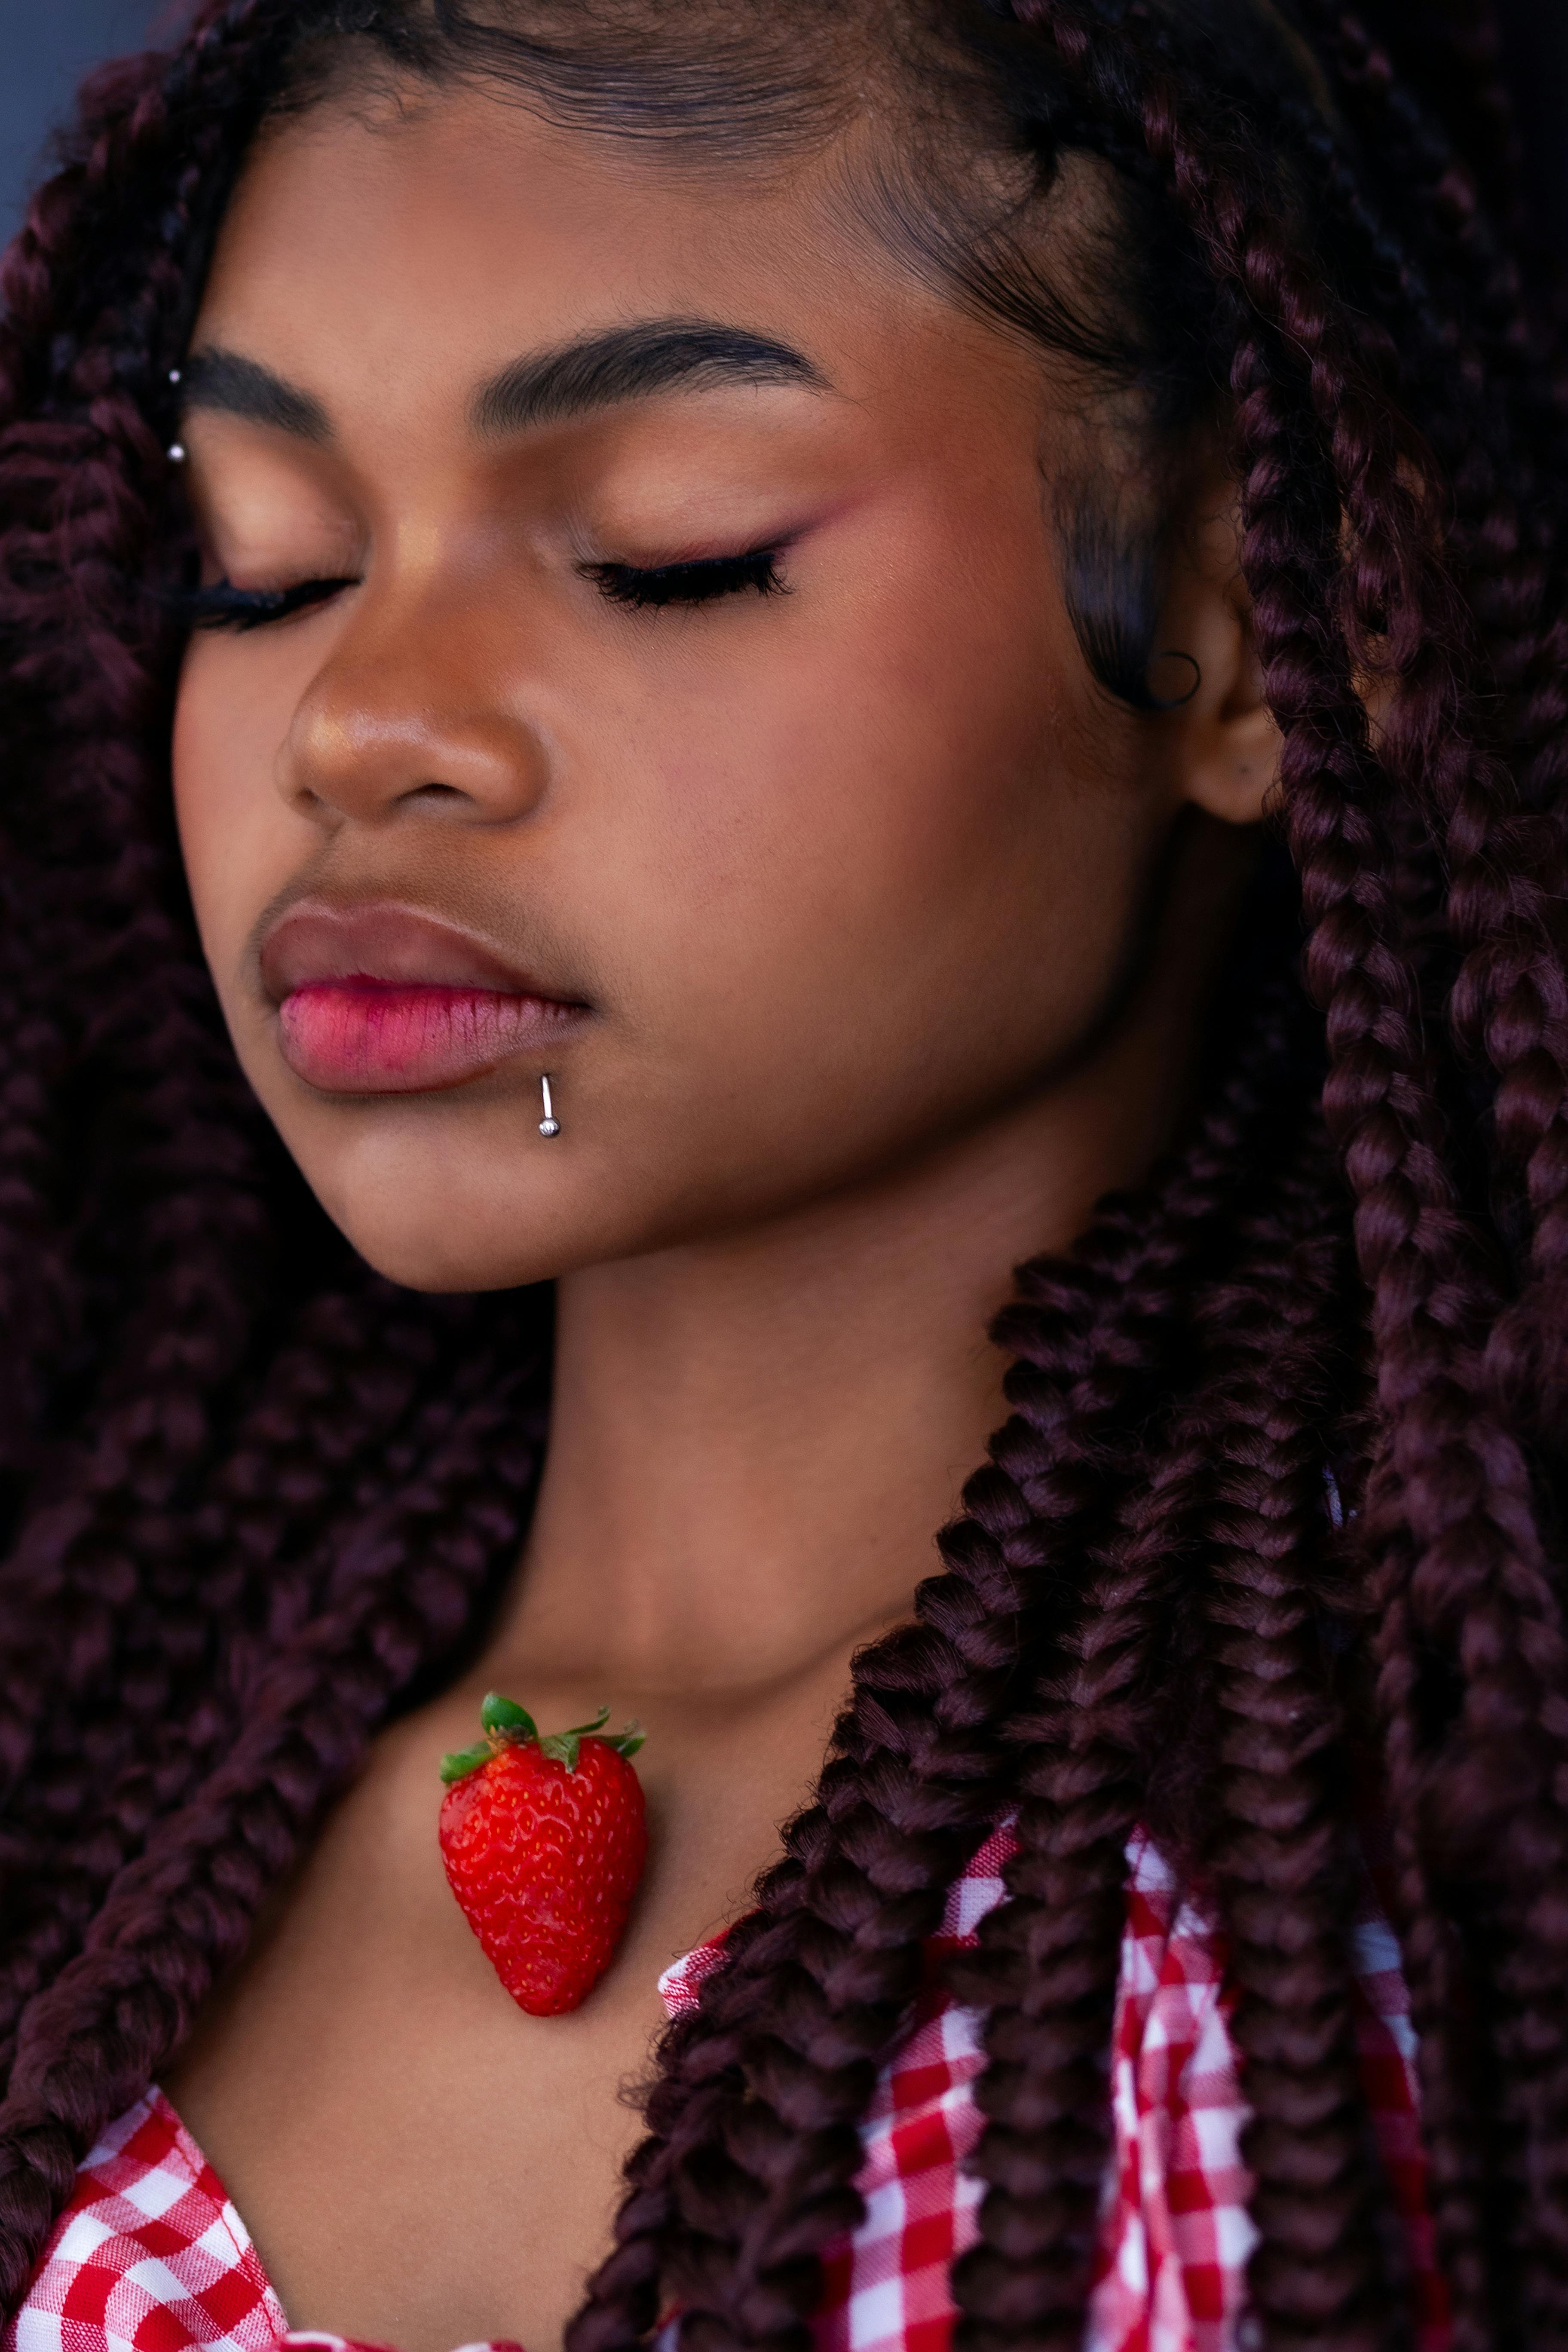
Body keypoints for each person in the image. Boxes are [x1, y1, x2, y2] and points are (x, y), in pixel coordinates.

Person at [0, 1, 1561, 2347]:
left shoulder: (1393, 1921)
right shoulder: (71, 1759)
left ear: (1268, 617)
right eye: (268, 562)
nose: (363, 724)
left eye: (670, 552)